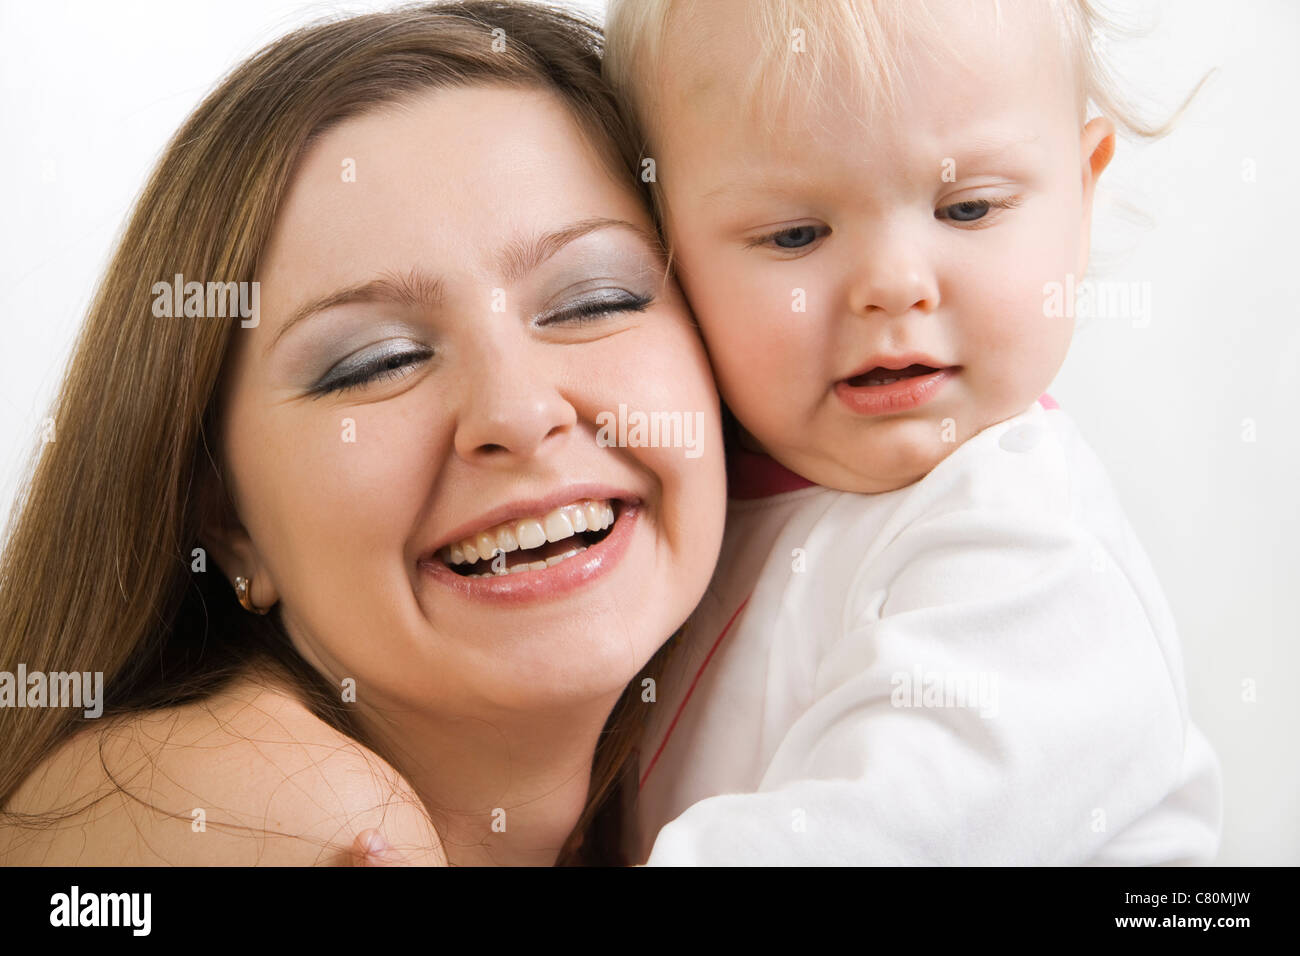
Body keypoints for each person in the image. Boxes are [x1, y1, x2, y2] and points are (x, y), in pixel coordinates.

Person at [0, 1, 726, 867]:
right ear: (225, 522)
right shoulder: (269, 807)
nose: (519, 412)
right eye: (376, 363)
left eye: (593, 302)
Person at [603, 0, 1222, 864]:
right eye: (795, 233)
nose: (894, 286)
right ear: (659, 244)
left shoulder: (1023, 546)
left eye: (967, 209)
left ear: (1082, 201)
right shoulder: (685, 501)